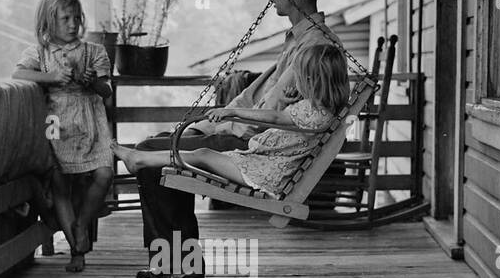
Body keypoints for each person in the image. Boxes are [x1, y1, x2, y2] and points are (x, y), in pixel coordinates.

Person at [128, 0, 336, 278]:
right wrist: (205, 125)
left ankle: (176, 267)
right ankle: (177, 265)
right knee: (155, 147)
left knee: (151, 157)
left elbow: (262, 115)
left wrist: (219, 125)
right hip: (246, 135)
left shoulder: (312, 48)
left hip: (251, 146)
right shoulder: (299, 40)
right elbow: (256, 94)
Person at [114, 43, 349, 205]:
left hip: (263, 174)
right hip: (262, 166)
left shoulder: (311, 111)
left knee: (203, 154)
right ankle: (140, 158)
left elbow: (275, 117)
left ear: (311, 80)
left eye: (298, 76)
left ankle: (139, 159)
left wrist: (232, 110)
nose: (295, 82)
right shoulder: (322, 111)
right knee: (201, 154)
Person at [14, 0, 113, 272]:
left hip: (90, 119)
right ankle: (76, 250)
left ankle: (82, 223)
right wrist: (51, 77)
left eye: (76, 18)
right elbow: (18, 74)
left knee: (104, 173)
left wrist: (91, 82)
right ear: (48, 22)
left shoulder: (94, 51)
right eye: (64, 19)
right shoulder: (39, 53)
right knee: (61, 184)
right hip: (56, 122)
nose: (72, 25)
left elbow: (106, 92)